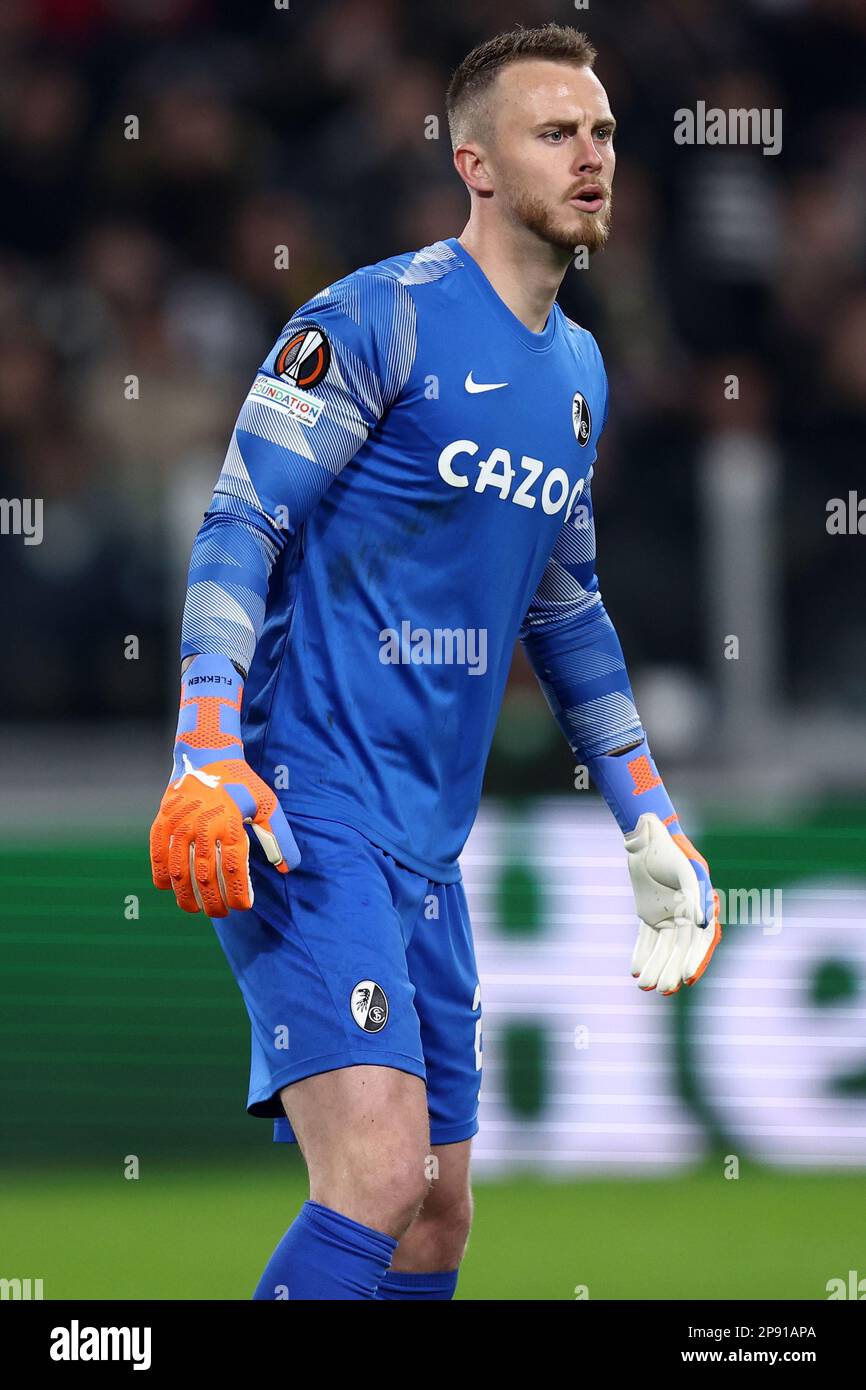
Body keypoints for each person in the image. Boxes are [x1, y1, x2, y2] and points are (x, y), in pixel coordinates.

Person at [149, 22, 721, 1302]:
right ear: (472, 161)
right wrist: (207, 742)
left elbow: (564, 610)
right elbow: (241, 518)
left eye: (605, 133)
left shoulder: (577, 374)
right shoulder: (372, 319)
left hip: (426, 838)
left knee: (435, 1218)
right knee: (375, 1174)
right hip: (299, 804)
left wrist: (645, 813)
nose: (593, 159)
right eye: (555, 133)